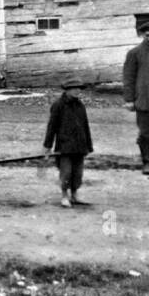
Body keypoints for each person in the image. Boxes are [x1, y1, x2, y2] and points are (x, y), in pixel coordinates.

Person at [43, 78, 93, 207]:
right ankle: (64, 196)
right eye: (75, 89)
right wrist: (47, 146)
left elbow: (85, 126)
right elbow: (52, 127)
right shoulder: (58, 105)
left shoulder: (80, 105)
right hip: (65, 146)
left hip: (80, 146)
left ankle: (75, 195)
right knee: (66, 172)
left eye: (79, 89)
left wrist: (88, 146)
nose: (78, 91)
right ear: (67, 90)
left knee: (78, 173)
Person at [123, 17, 149, 176]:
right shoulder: (134, 53)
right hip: (143, 102)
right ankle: (147, 163)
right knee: (145, 134)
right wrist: (129, 100)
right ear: (142, 35)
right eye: (148, 35)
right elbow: (128, 78)